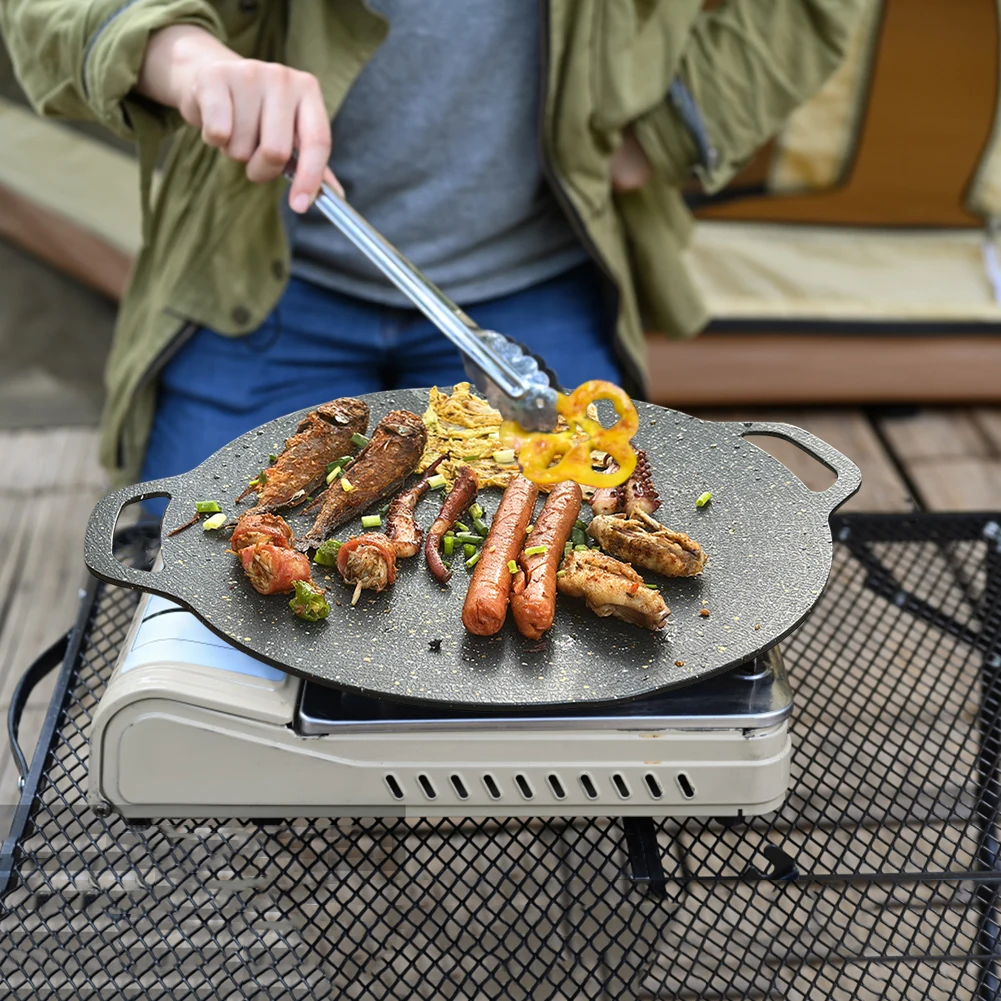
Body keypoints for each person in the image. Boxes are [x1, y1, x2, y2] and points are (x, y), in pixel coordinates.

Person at [0, 1, 862, 486]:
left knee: (589, 554)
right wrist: (186, 59)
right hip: (255, 282)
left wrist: (677, 127)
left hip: (533, 278)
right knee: (193, 597)